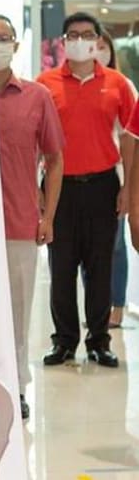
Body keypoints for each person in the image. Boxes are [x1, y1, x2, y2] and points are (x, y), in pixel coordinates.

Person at [37, 12, 135, 369]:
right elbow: (36, 138)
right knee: (61, 268)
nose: (81, 40)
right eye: (74, 35)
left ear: (97, 41)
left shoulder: (117, 83)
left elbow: (129, 136)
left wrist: (127, 187)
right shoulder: (45, 83)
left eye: (88, 34)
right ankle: (64, 341)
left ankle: (99, 340)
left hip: (102, 185)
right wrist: (38, 191)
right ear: (64, 41)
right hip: (60, 189)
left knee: (100, 267)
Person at [0, 15, 64, 420]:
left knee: (16, 313)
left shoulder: (37, 97)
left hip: (19, 224)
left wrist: (47, 215)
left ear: (15, 45)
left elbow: (54, 158)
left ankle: (15, 389)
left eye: (2, 39)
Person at [97, 32, 136, 328]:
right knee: (93, 247)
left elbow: (129, 138)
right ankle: (99, 308)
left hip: (117, 173)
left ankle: (117, 306)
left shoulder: (123, 86)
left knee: (115, 246)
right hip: (91, 175)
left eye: (101, 47)